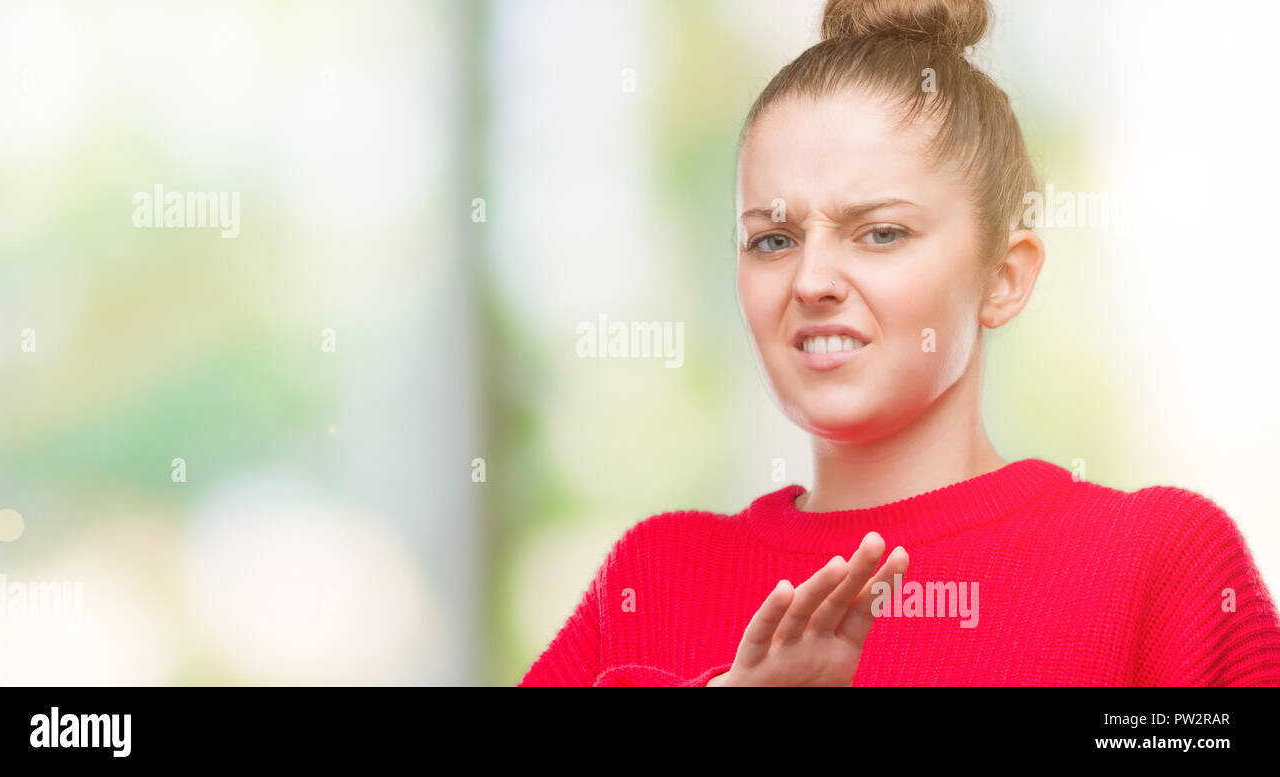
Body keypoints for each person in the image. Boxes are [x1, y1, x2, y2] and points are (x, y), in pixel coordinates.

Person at [518, 0, 1280, 686]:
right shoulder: (657, 575)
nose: (812, 279)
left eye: (881, 233)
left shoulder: (1161, 564)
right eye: (773, 239)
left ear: (1004, 277)